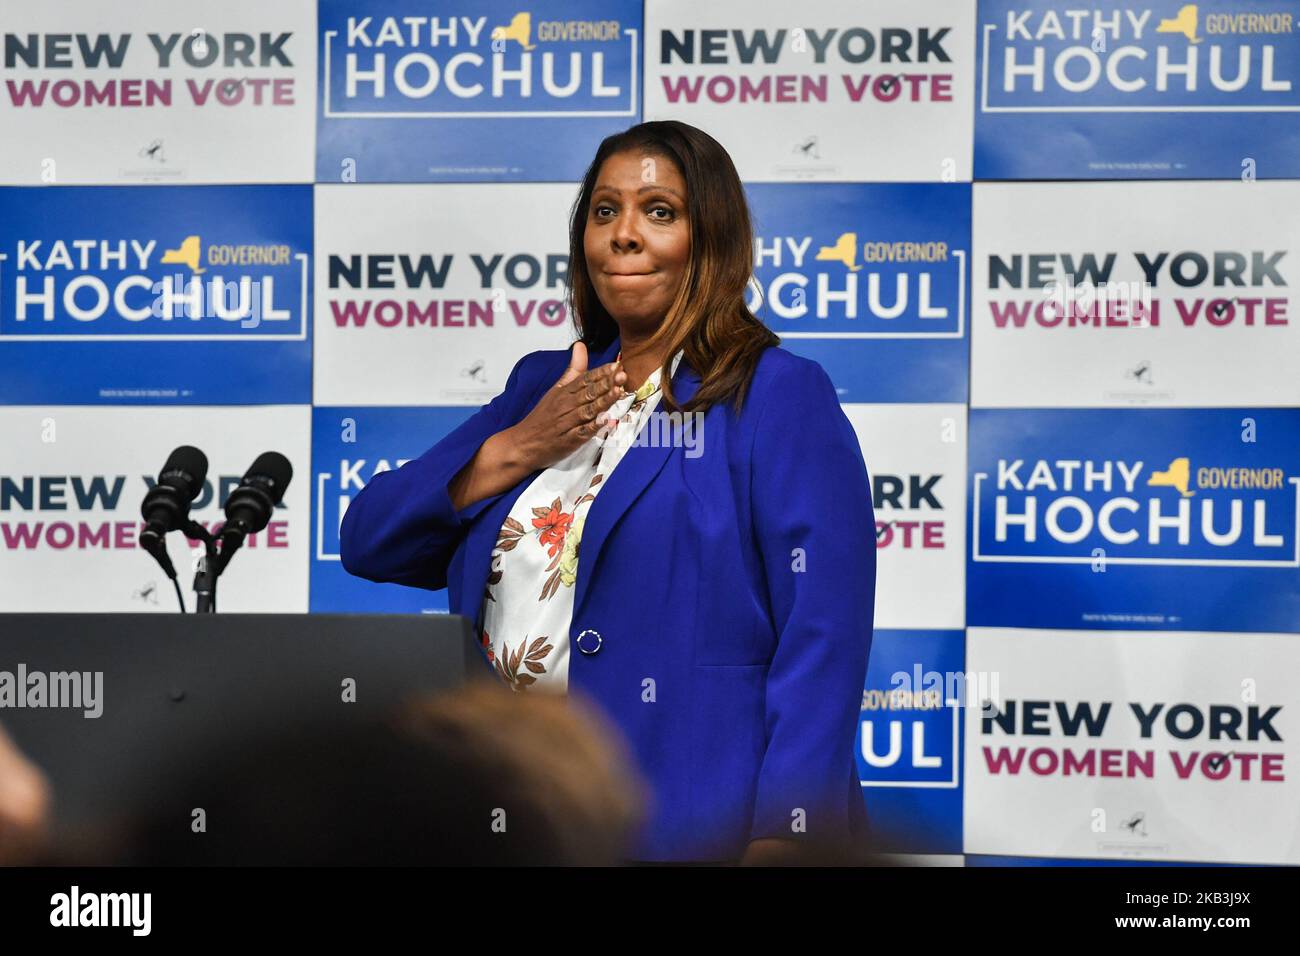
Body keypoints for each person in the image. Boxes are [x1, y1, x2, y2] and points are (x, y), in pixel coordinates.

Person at [340, 120, 876, 864]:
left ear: (712, 239)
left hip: (693, 826)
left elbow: (824, 635)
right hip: (508, 818)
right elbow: (370, 540)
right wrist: (522, 444)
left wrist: (788, 833)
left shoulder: (776, 396)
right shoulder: (543, 383)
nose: (624, 234)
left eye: (659, 211)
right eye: (604, 211)